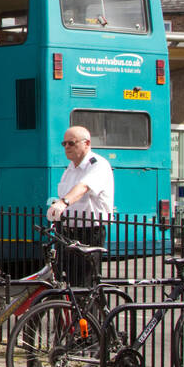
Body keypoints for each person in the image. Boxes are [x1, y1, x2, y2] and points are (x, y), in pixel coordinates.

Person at [46, 125, 115, 291]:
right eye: (64, 144)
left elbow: (83, 187)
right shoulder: (70, 169)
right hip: (68, 232)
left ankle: (89, 309)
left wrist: (63, 202)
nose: (67, 147)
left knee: (85, 284)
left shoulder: (98, 165)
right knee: (67, 282)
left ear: (87, 143)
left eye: (72, 143)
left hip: (89, 232)